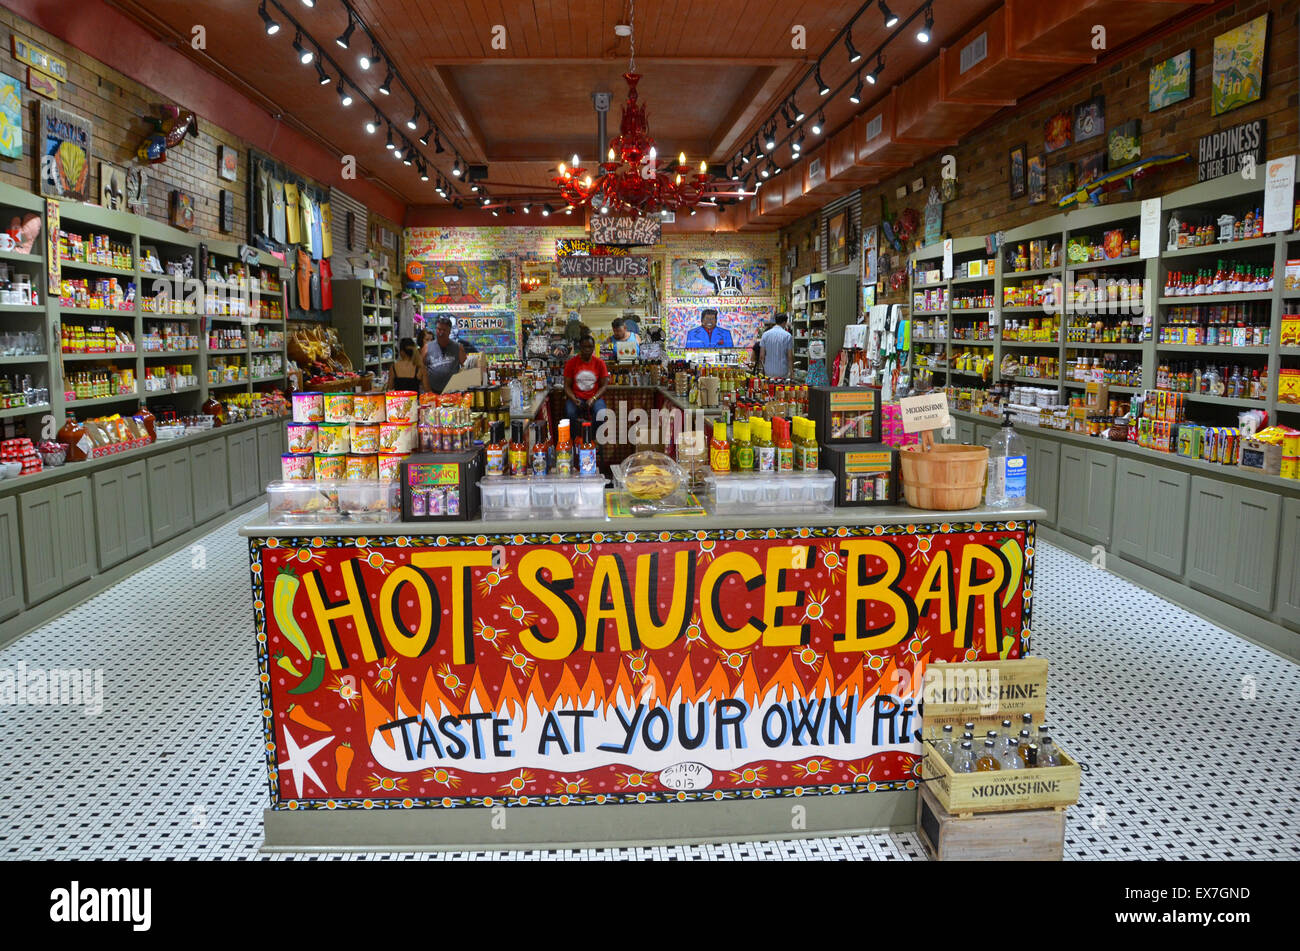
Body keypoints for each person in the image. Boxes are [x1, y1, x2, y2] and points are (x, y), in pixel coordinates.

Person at [563, 334, 608, 426]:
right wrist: (574, 399)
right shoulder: (571, 363)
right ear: (580, 347)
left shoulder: (600, 363)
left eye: (590, 347)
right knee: (570, 413)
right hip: (576, 397)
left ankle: (595, 437)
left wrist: (593, 398)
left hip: (595, 397)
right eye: (584, 347)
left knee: (601, 413)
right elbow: (567, 386)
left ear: (593, 348)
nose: (587, 350)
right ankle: (574, 438)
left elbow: (604, 386)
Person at [422, 316, 466, 393]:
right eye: (439, 329)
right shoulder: (427, 348)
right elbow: (421, 370)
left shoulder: (458, 347)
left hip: (453, 393)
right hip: (433, 393)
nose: (441, 333)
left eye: (444, 330)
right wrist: (428, 391)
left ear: (449, 331)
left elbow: (466, 368)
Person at [760, 312, 794, 378]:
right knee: (781, 388)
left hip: (768, 371)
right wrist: (791, 371)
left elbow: (762, 356)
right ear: (784, 322)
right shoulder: (787, 336)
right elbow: (789, 356)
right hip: (782, 371)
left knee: (769, 388)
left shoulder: (765, 334)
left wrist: (762, 370)